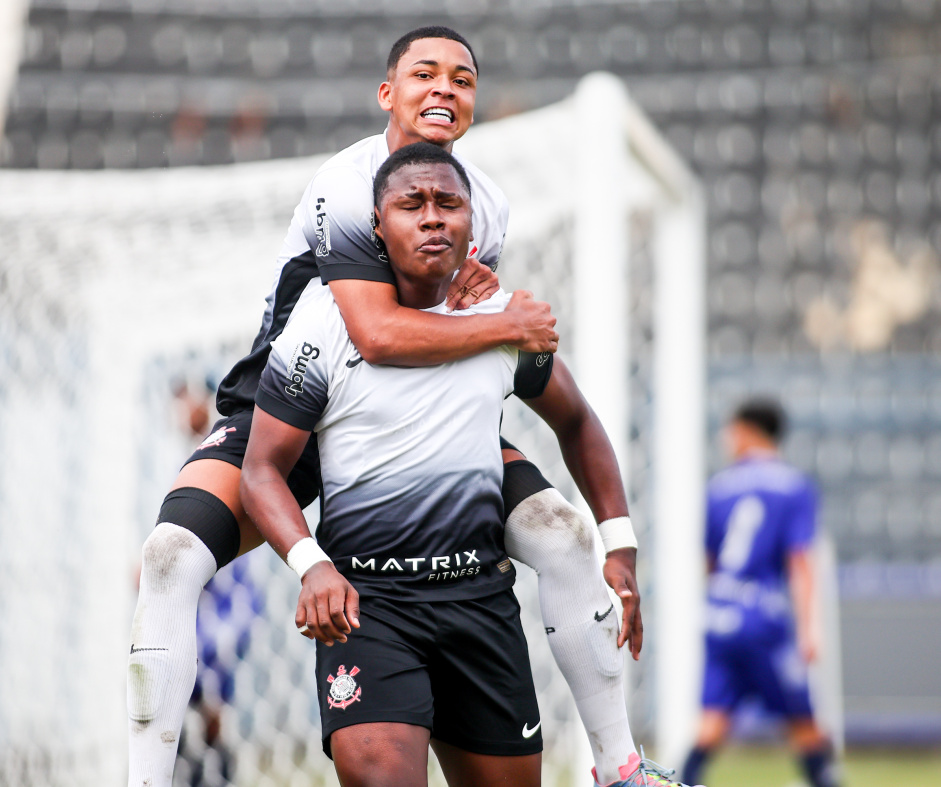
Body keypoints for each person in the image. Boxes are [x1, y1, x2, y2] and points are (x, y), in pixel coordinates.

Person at [128, 27, 647, 787]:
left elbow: (461, 329)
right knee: (171, 556)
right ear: (386, 94)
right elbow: (373, 334)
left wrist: (620, 540)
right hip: (294, 409)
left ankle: (620, 767)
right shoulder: (348, 185)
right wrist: (509, 324)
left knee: (562, 533)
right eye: (424, 74)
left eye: (461, 79)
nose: (444, 89)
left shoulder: (486, 204)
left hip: (407, 423)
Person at [241, 142, 693, 787]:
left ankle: (621, 768)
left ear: (471, 223)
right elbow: (261, 470)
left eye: (448, 203)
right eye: (411, 204)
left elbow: (577, 422)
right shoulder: (321, 330)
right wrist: (311, 565)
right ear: (376, 226)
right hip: (372, 609)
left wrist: (619, 544)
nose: (432, 217)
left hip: (479, 603)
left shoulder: (506, 327)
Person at [681, 399, 839, 787]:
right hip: (762, 617)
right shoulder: (794, 486)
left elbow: (709, 561)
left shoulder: (719, 487)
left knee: (711, 721)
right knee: (802, 721)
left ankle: (683, 780)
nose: (726, 439)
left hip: (719, 615)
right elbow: (800, 560)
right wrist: (810, 629)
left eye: (731, 431)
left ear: (749, 431)